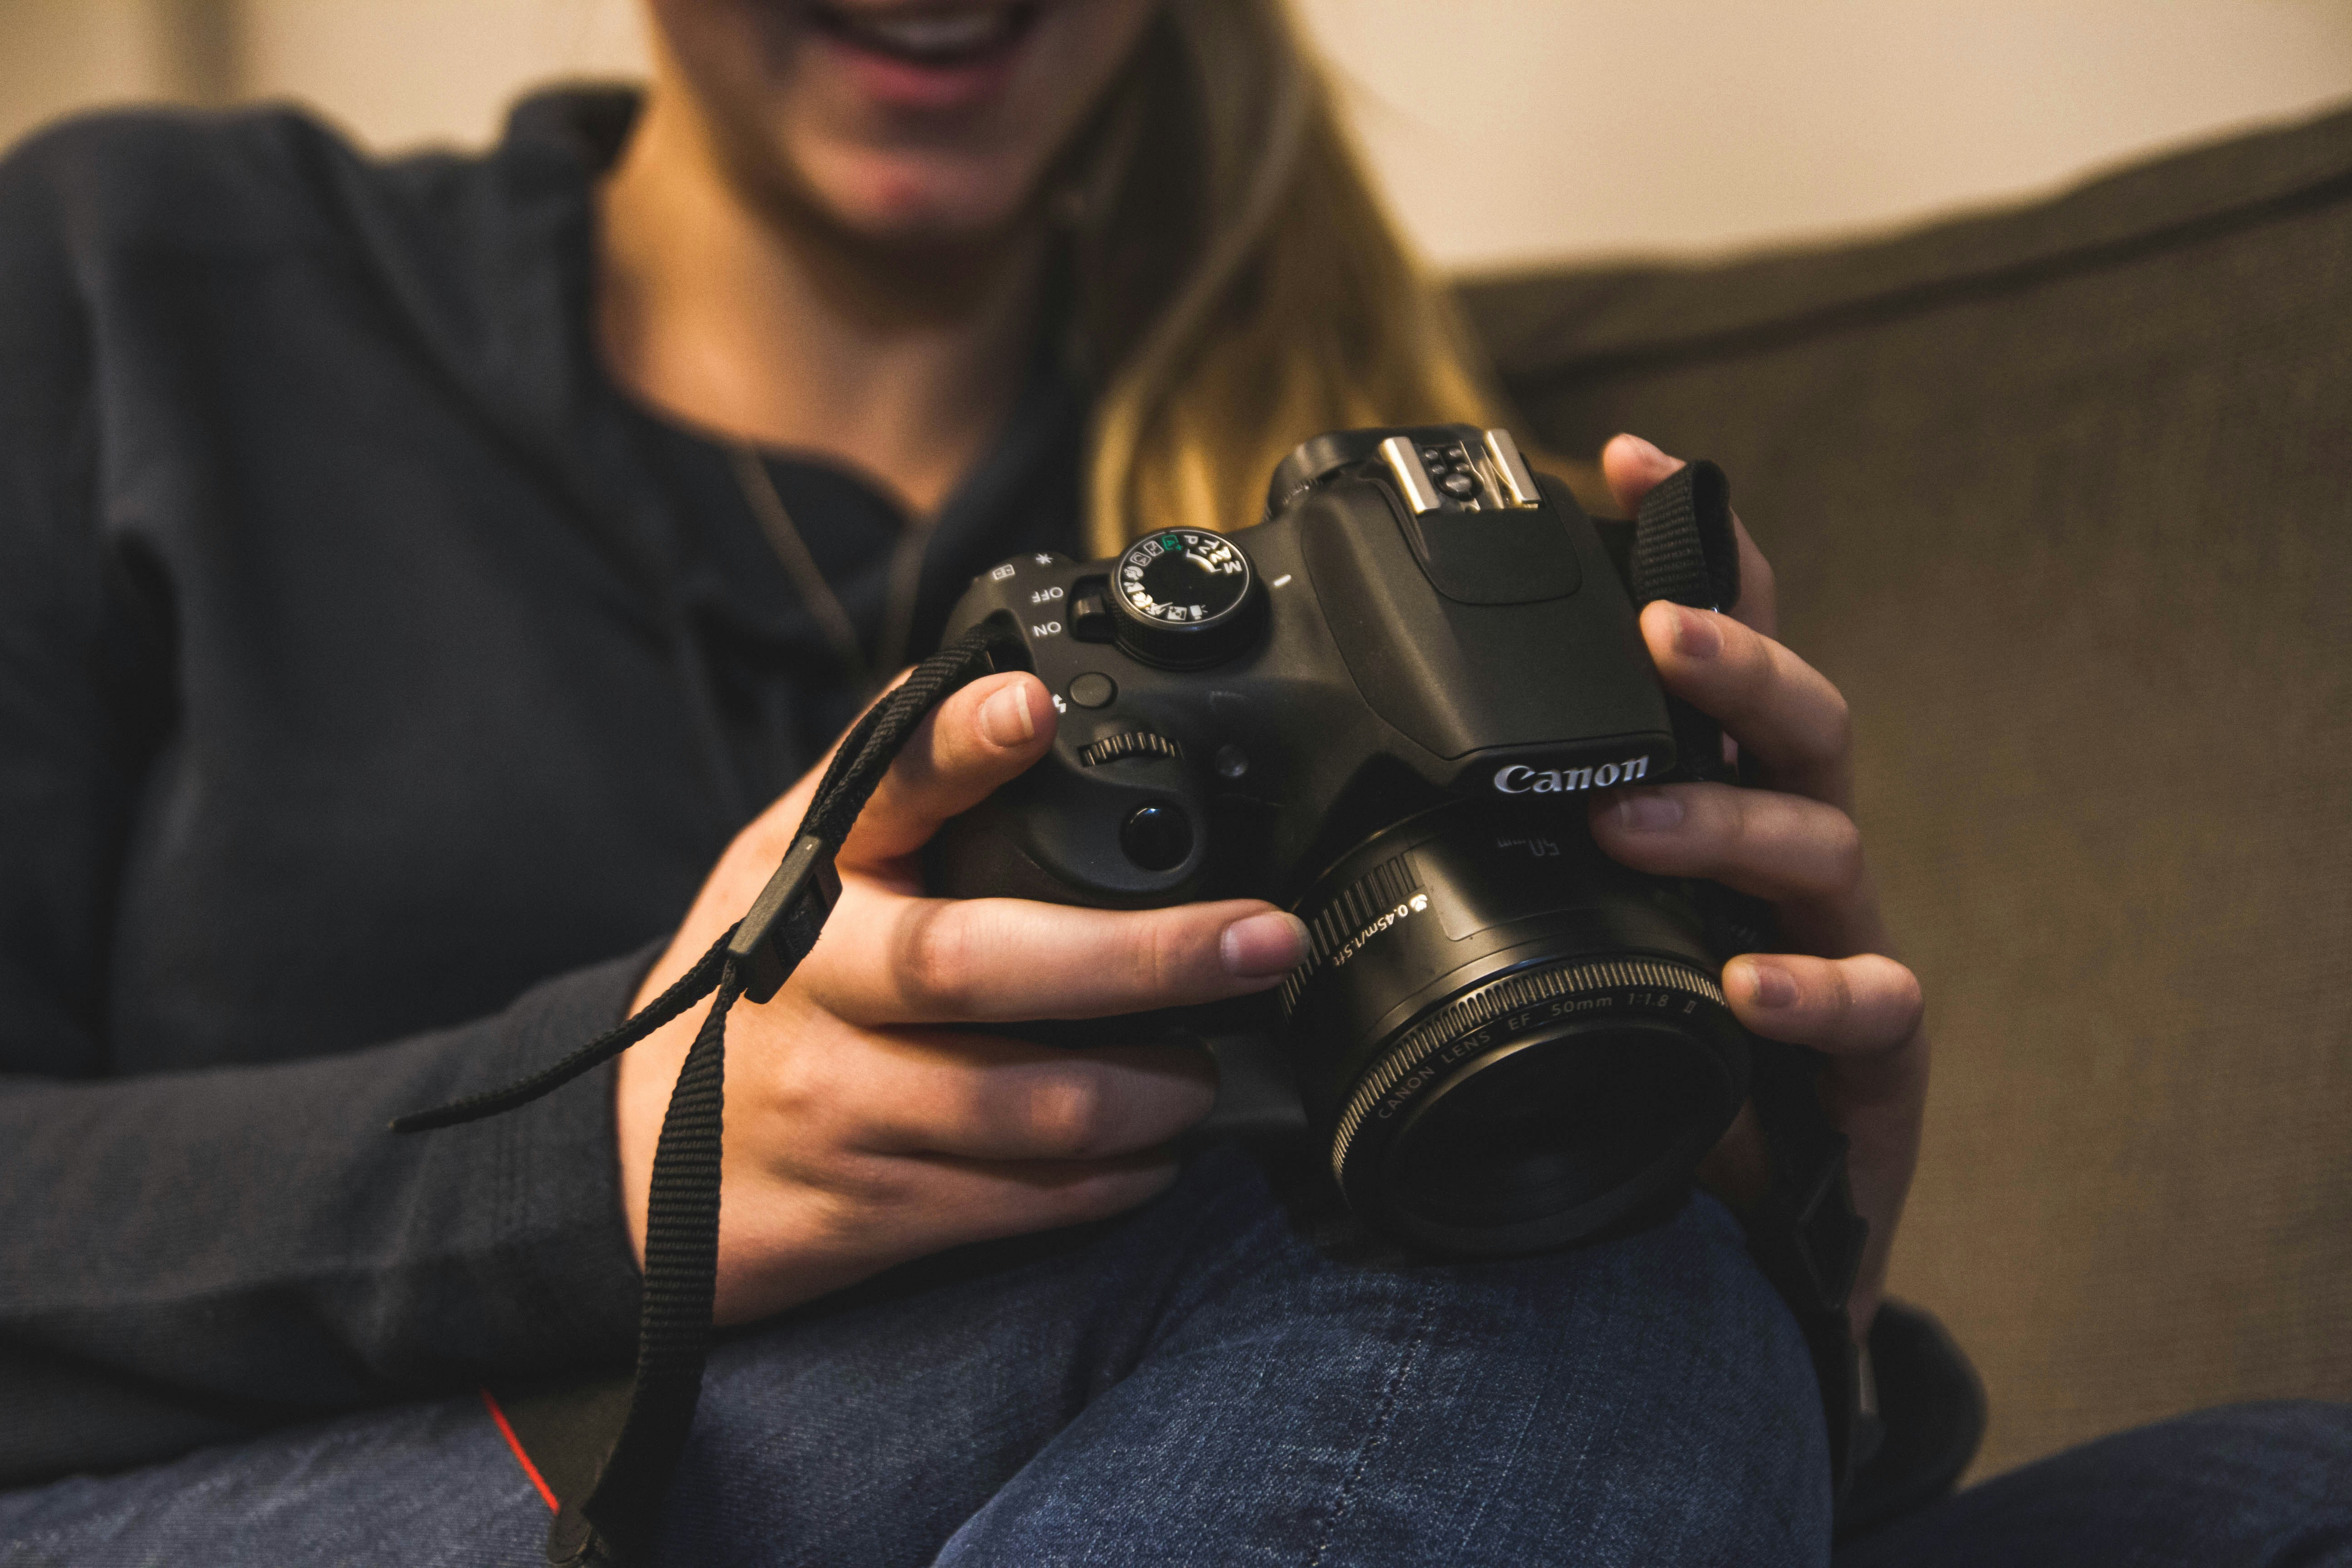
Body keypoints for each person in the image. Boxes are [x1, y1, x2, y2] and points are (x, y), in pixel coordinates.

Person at [0, 0, 2343, 1563]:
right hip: (354, 1483)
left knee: (2276, 1488)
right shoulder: (148, 280)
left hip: (1203, 1445)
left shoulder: (1388, 514)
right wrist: (614, 1150)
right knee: (1501, 1306)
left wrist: (1777, 1213)